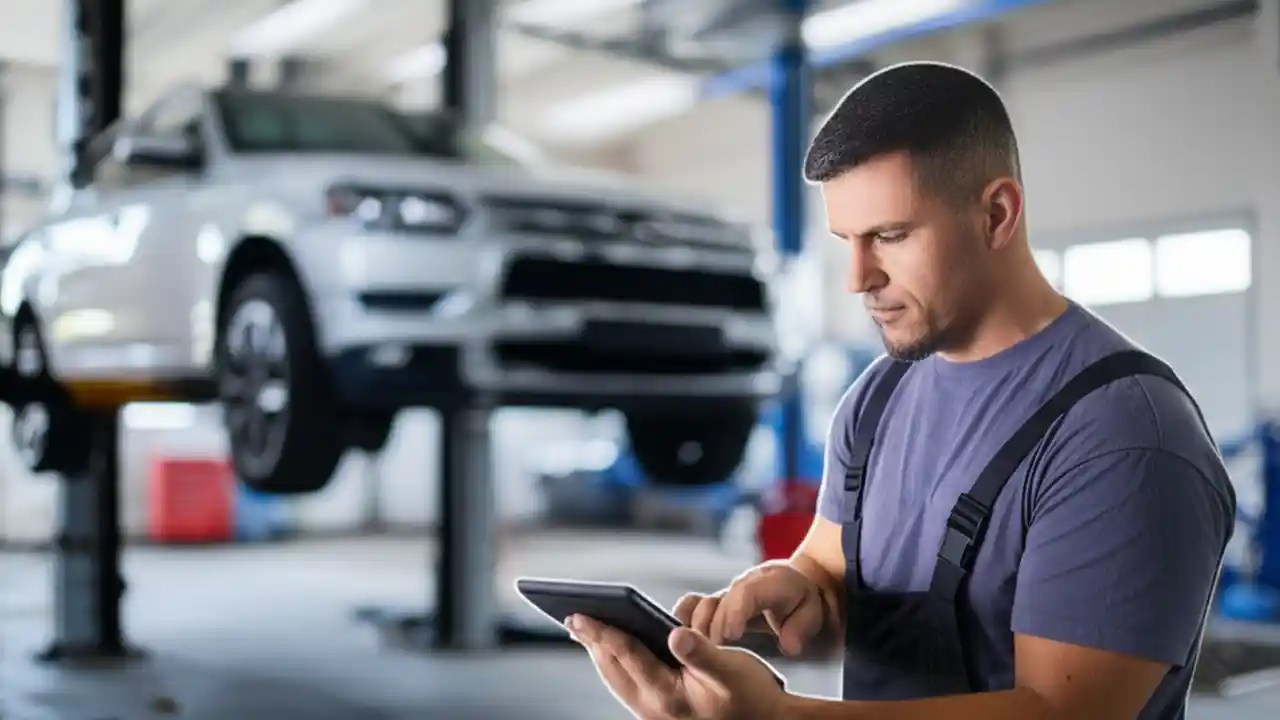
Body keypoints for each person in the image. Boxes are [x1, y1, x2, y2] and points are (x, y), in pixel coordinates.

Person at [564, 61, 1236, 719]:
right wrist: (795, 597)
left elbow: (1063, 712)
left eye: (890, 236)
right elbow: (831, 580)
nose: (857, 277)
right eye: (846, 240)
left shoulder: (1124, 434)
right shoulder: (877, 399)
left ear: (997, 215)